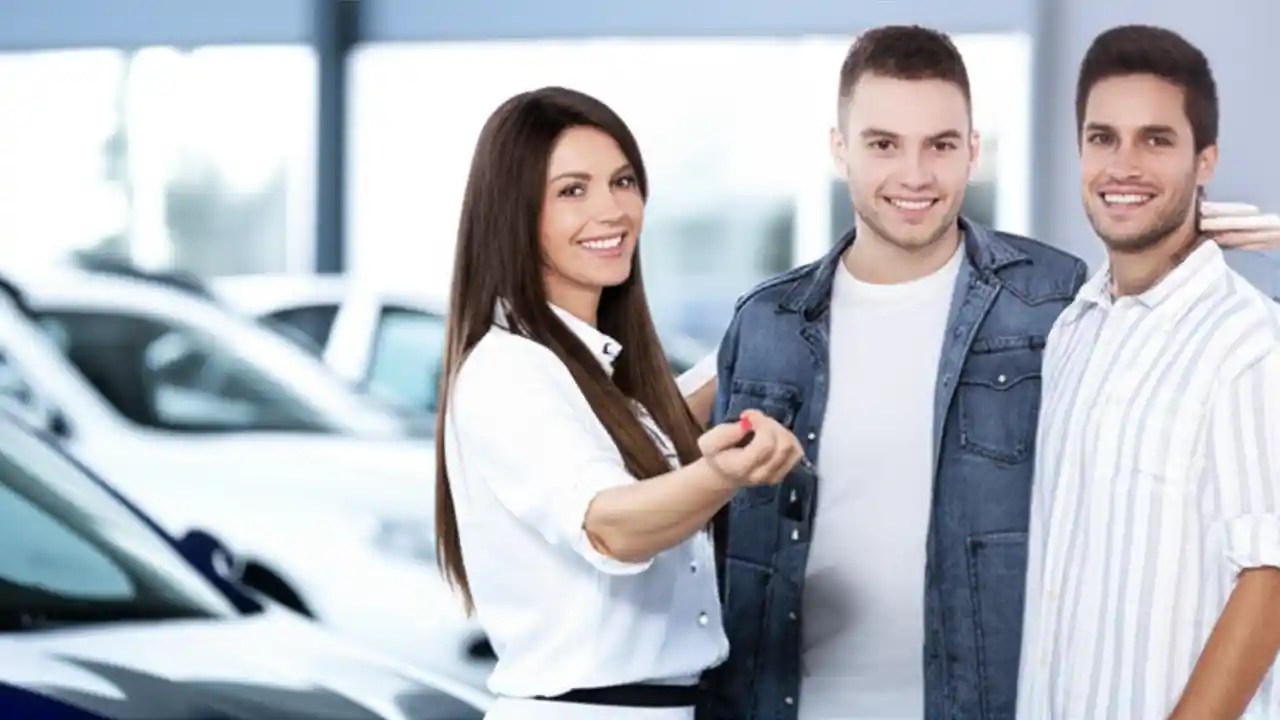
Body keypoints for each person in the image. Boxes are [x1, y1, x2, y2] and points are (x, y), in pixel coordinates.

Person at [691, 25, 1280, 720]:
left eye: (940, 145)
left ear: (973, 151)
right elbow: (658, 466)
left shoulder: (1052, 302)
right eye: (883, 144)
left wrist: (1190, 234)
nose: (914, 176)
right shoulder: (765, 323)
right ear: (839, 148)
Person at [434, 86, 804, 720]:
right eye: (572, 190)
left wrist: (767, 332)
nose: (612, 210)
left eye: (623, 181)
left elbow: (648, 436)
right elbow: (611, 524)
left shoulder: (590, 367)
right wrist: (722, 476)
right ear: (514, 213)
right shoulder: (508, 370)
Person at [1016, 25, 1280, 719]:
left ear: (1205, 161)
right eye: (1103, 137)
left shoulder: (1248, 339)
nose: (1123, 165)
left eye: (1156, 140)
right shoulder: (1073, 330)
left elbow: (1271, 579)